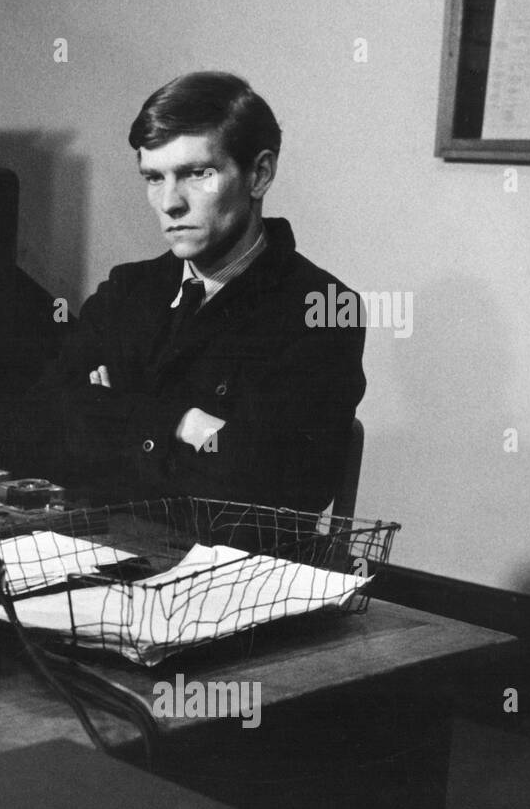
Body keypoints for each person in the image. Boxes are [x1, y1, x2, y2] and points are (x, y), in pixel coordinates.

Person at [32, 71, 365, 513]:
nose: (170, 202)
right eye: (154, 178)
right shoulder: (125, 292)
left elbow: (271, 488)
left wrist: (121, 412)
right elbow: (46, 435)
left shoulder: (322, 308)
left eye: (195, 173)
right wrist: (187, 424)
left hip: (236, 574)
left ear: (259, 175)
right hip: (105, 551)